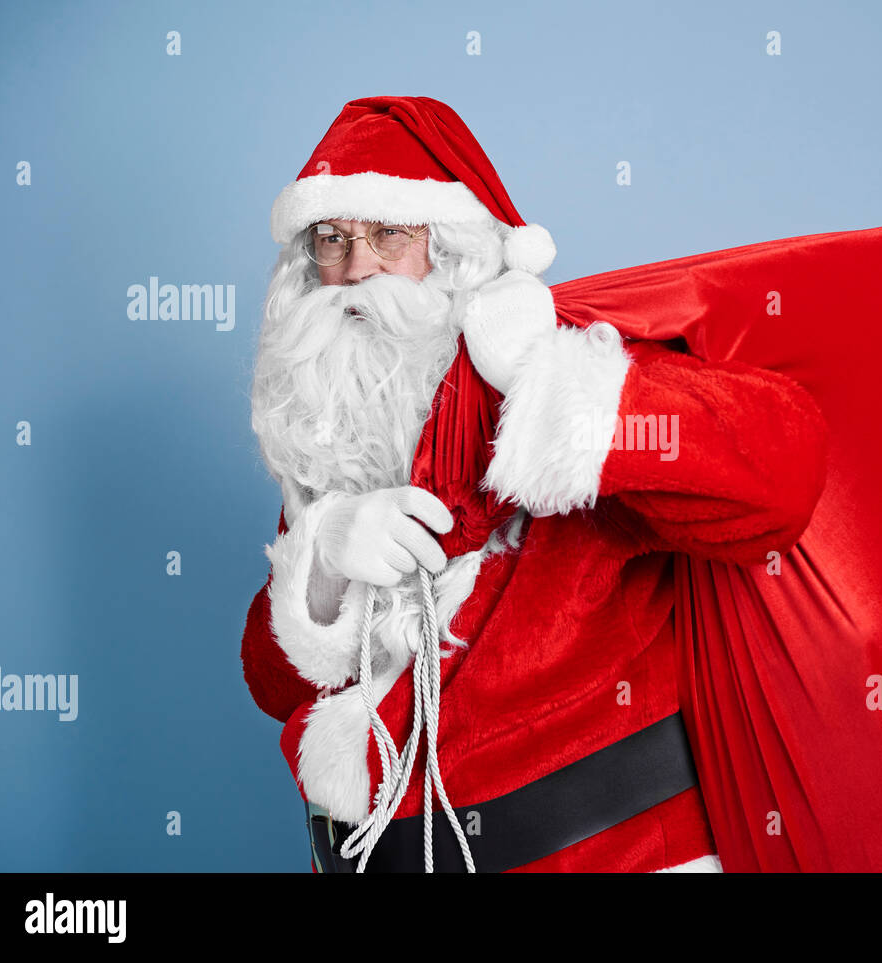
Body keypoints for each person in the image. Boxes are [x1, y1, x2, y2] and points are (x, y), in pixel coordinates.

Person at [241, 96, 829, 872]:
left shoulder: (556, 371)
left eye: (389, 233)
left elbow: (782, 476)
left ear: (449, 250)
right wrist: (322, 559)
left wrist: (545, 377)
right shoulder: (335, 431)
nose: (356, 270)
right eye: (333, 239)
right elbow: (274, 684)